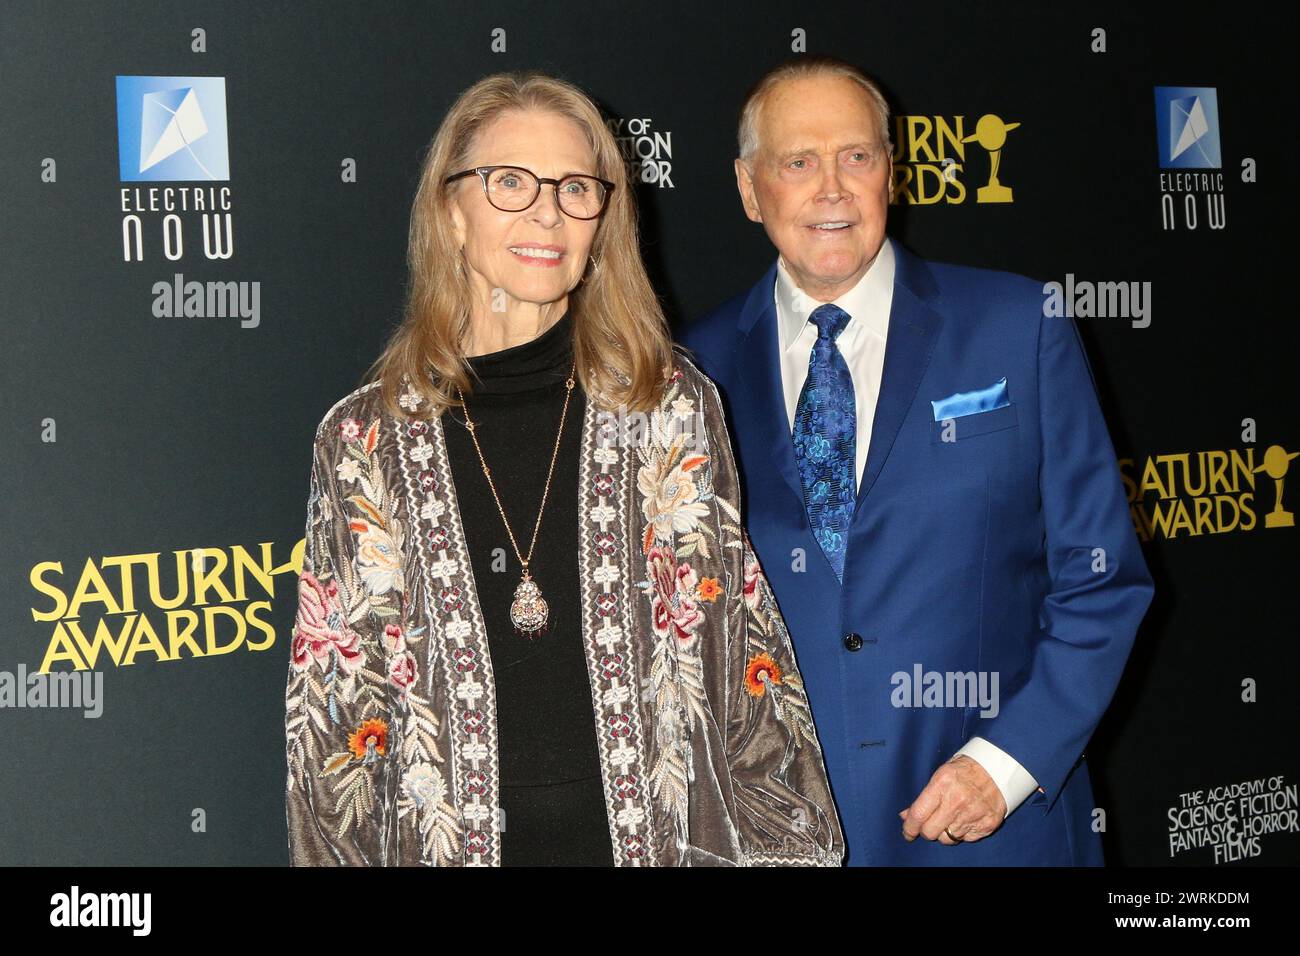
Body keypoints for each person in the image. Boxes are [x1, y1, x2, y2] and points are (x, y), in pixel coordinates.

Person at [283, 70, 844, 866]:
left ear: (602, 222)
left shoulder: (668, 406)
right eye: (509, 182)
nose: (546, 211)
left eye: (576, 187)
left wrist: (793, 853)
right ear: (450, 211)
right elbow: (336, 726)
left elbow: (742, 664)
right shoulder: (362, 440)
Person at [678, 56, 1154, 865]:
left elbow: (1101, 578)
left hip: (994, 832)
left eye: (856, 157)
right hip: (784, 837)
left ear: (890, 175)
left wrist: (1004, 767)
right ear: (750, 188)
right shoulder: (692, 370)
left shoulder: (1018, 325)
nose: (831, 187)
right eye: (798, 162)